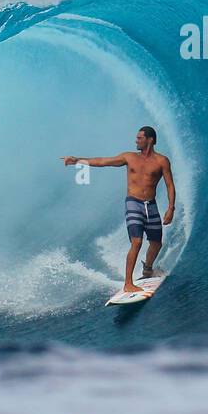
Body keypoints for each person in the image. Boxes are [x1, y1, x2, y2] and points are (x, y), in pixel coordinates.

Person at [62, 126, 177, 294]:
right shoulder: (129, 157)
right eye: (136, 138)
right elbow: (103, 161)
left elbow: (169, 185)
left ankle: (148, 269)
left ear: (150, 140)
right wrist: (78, 160)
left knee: (156, 243)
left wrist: (171, 208)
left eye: (139, 138)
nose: (136, 141)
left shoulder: (162, 161)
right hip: (133, 203)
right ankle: (128, 283)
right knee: (136, 242)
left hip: (150, 205)